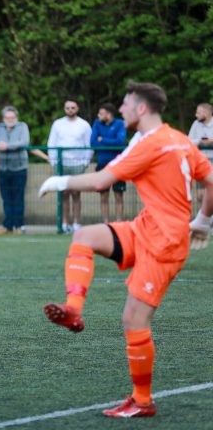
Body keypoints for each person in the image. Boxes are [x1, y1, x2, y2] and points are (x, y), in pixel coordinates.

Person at [39, 81, 213, 418]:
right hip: (146, 228)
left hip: (165, 242)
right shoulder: (180, 139)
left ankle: (142, 401)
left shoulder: (152, 144)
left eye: (125, 104)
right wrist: (203, 221)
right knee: (85, 237)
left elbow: (101, 181)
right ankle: (73, 309)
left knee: (134, 319)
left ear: (141, 108)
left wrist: (59, 181)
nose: (120, 109)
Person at [46, 98, 92, 233]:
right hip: (62, 164)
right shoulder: (57, 124)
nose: (70, 110)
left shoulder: (84, 125)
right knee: (63, 194)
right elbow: (51, 143)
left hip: (78, 163)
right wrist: (54, 161)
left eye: (73, 108)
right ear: (64, 109)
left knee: (76, 194)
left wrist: (85, 162)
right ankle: (64, 223)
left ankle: (76, 223)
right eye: (67, 108)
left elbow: (89, 144)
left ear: (77, 109)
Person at [0, 106, 29, 234]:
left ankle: (19, 226)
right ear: (4, 118)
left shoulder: (22, 126)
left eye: (12, 117)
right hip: (3, 169)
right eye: (7, 117)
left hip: (19, 169)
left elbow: (24, 142)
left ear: (16, 118)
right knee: (6, 198)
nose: (10, 119)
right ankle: (8, 226)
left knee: (18, 198)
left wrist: (7, 146)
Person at [91, 103, 127, 223]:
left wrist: (103, 139)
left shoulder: (120, 124)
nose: (98, 116)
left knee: (118, 195)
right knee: (104, 195)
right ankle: (105, 223)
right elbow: (93, 142)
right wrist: (110, 142)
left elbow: (120, 142)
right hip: (102, 164)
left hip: (118, 165)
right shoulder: (97, 123)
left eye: (101, 113)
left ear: (109, 114)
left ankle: (119, 223)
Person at [187, 102, 213, 203]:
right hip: (201, 162)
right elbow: (189, 141)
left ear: (206, 113)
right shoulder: (196, 124)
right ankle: (203, 213)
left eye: (198, 113)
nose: (196, 115)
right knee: (200, 195)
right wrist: (200, 141)